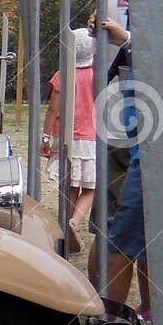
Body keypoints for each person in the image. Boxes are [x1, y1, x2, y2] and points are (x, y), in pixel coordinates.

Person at [97, 0, 150, 318]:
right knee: (142, 238)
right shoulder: (132, 6)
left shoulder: (155, 6)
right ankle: (149, 313)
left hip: (152, 149)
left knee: (119, 243)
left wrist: (127, 40)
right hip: (134, 138)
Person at [41, 29, 98, 233]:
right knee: (91, 186)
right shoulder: (99, 75)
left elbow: (53, 109)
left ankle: (67, 223)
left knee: (71, 184)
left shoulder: (63, 75)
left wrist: (45, 136)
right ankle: (75, 221)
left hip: (65, 135)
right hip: (91, 137)